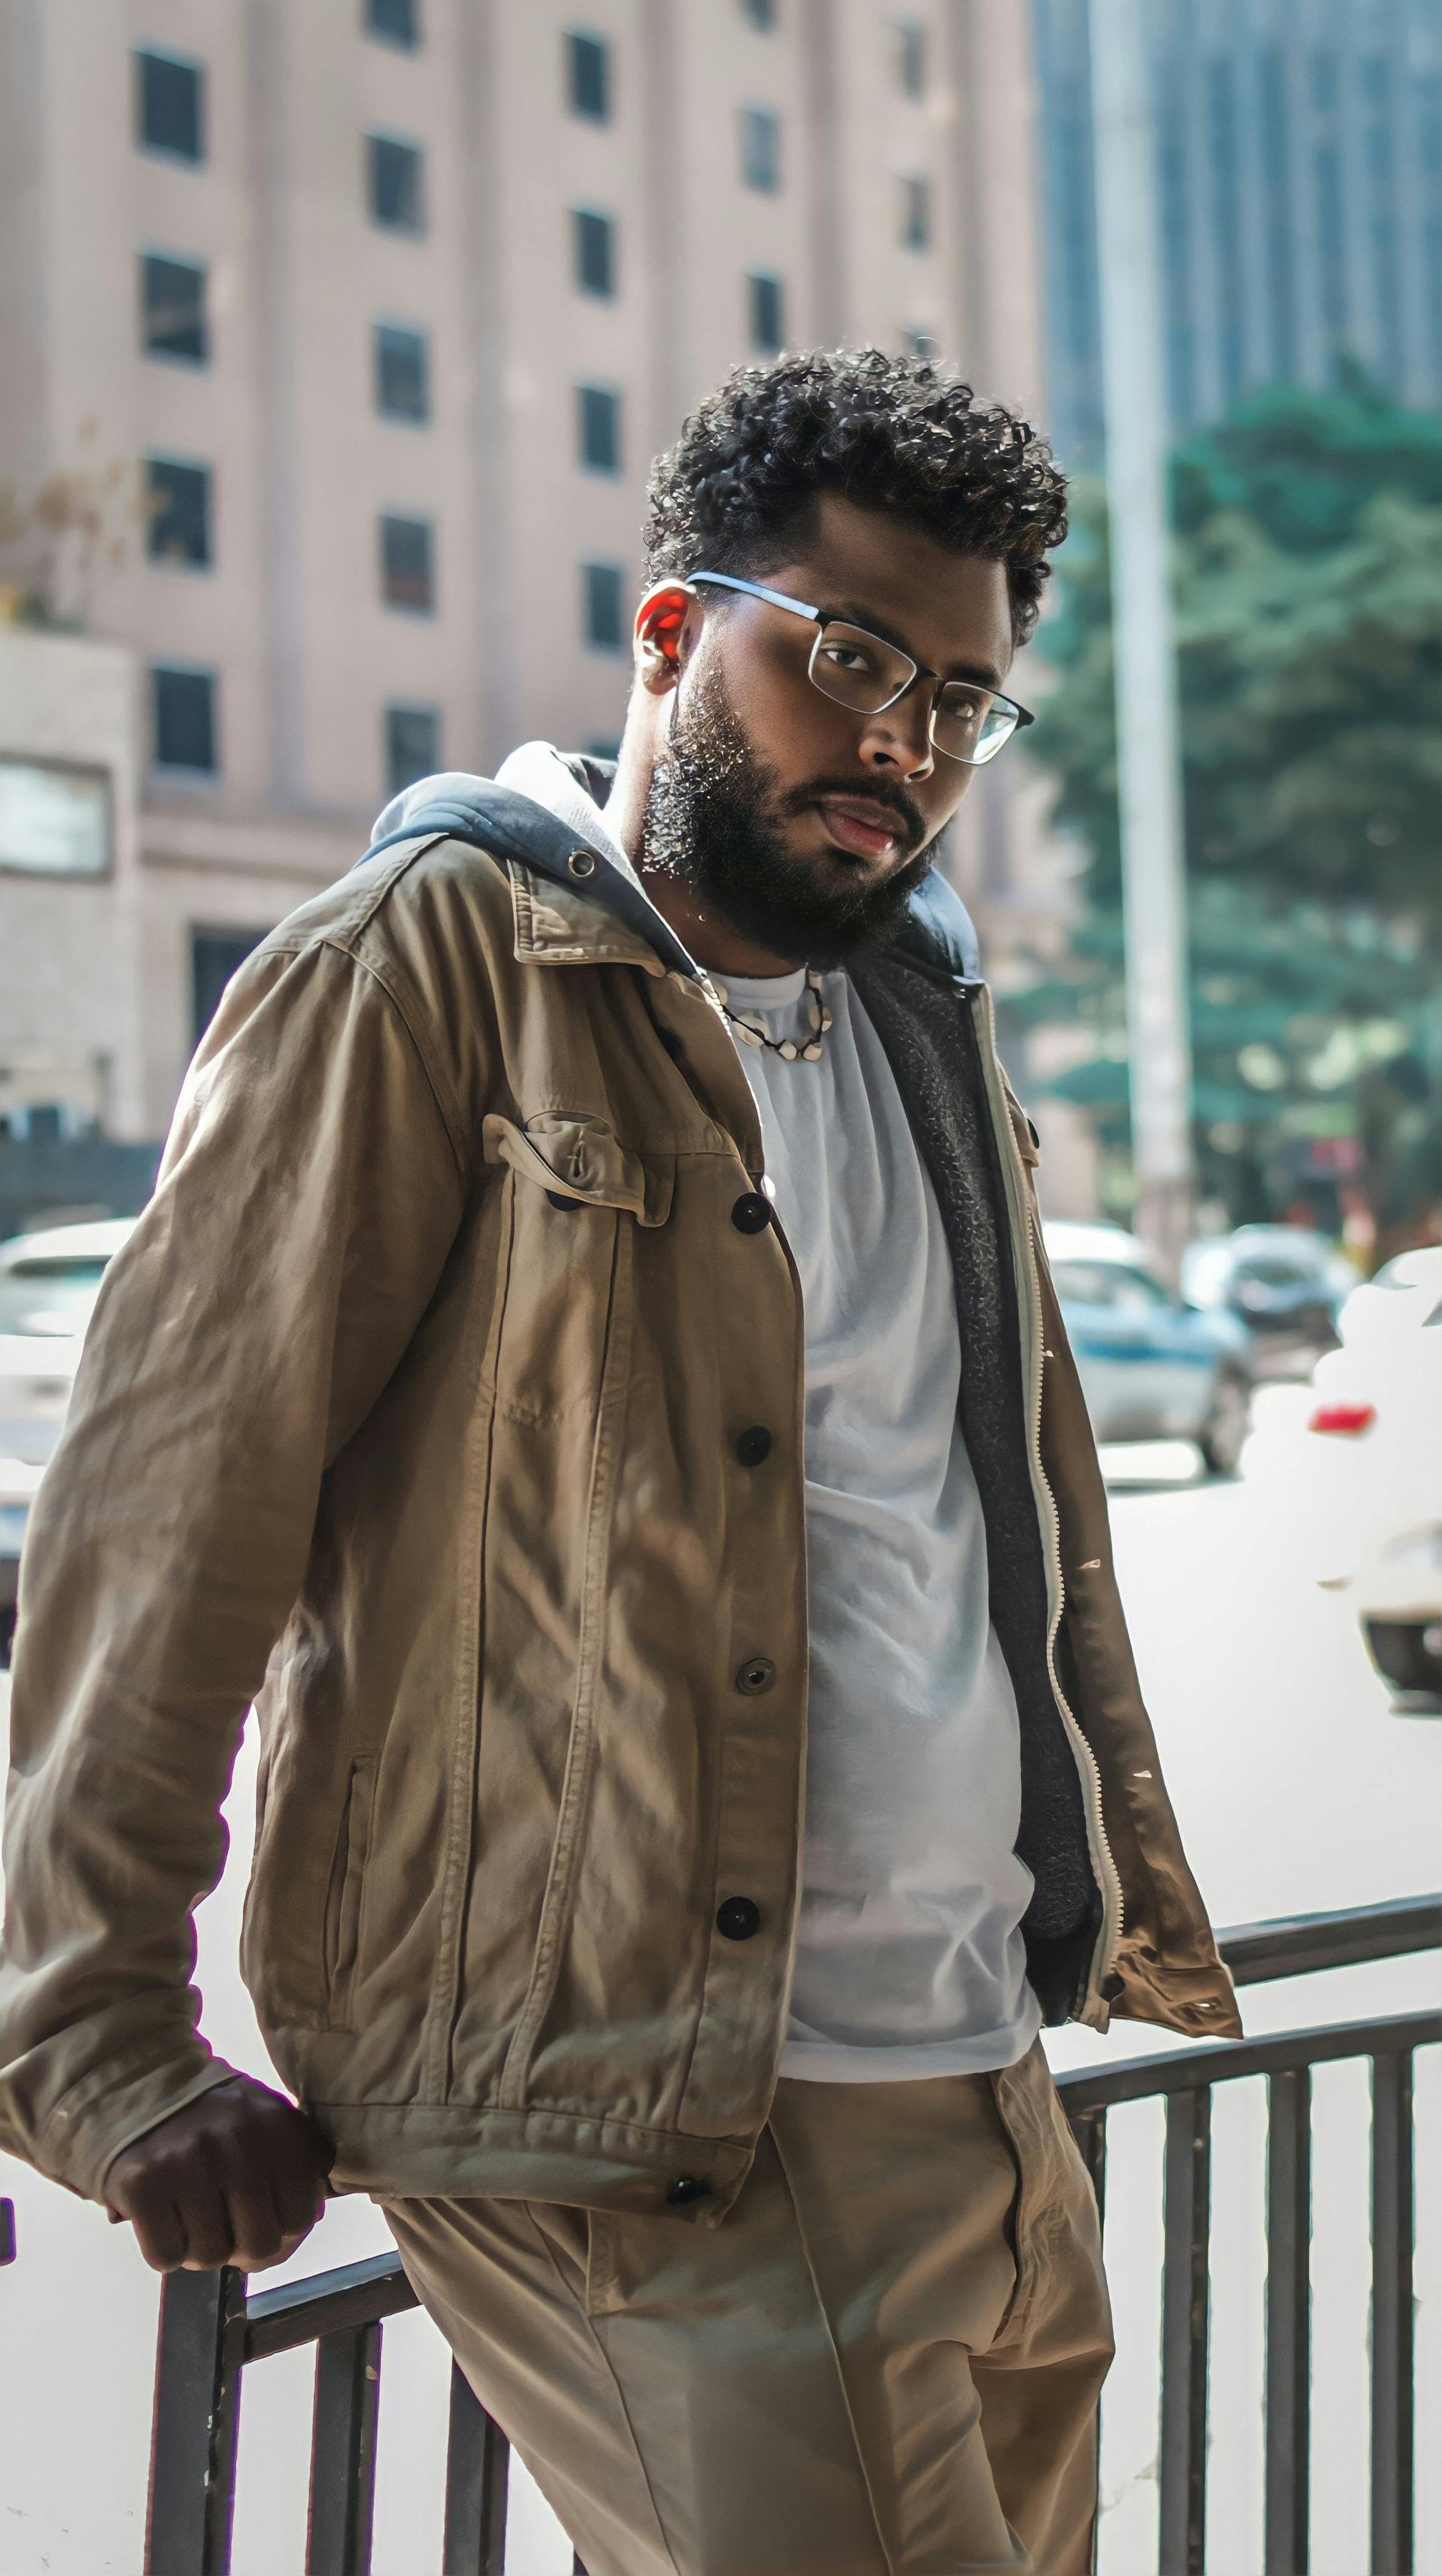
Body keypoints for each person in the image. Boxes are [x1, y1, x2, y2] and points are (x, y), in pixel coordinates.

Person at [0, 351, 1238, 2575]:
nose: (904, 744)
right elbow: (167, 1517)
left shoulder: (918, 1018)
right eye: (848, 659)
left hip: (969, 2080)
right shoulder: (428, 965)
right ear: (674, 633)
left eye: (961, 699)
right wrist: (91, 2041)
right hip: (647, 2116)